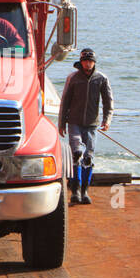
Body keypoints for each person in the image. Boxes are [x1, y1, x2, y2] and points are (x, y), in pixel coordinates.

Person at [57, 47, 112, 205]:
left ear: (94, 63)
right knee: (77, 153)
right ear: (81, 62)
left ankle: (85, 191)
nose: (88, 64)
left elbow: (108, 102)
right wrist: (61, 124)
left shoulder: (101, 79)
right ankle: (75, 190)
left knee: (88, 157)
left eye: (90, 61)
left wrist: (107, 120)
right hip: (74, 122)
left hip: (91, 124)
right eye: (85, 61)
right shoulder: (73, 78)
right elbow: (64, 102)